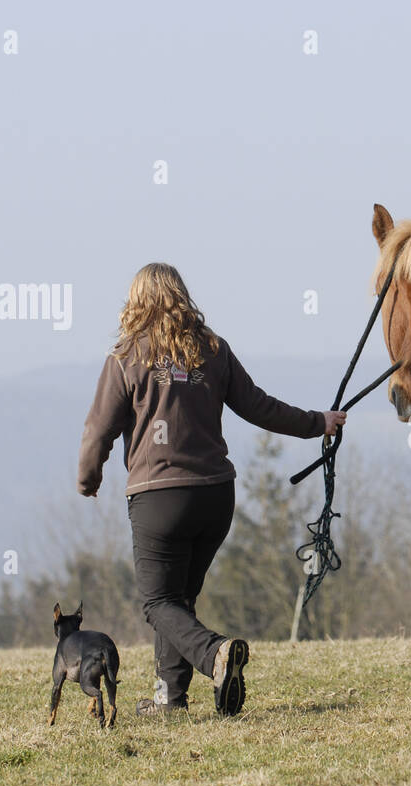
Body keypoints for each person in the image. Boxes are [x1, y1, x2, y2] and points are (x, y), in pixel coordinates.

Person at [77, 262, 344, 717]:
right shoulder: (213, 351)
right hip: (216, 496)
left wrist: (89, 479)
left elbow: (98, 431)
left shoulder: (125, 357)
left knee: (158, 601)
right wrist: (318, 423)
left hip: (158, 497)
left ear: (136, 302)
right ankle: (171, 701)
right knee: (177, 600)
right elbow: (259, 406)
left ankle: (216, 654)